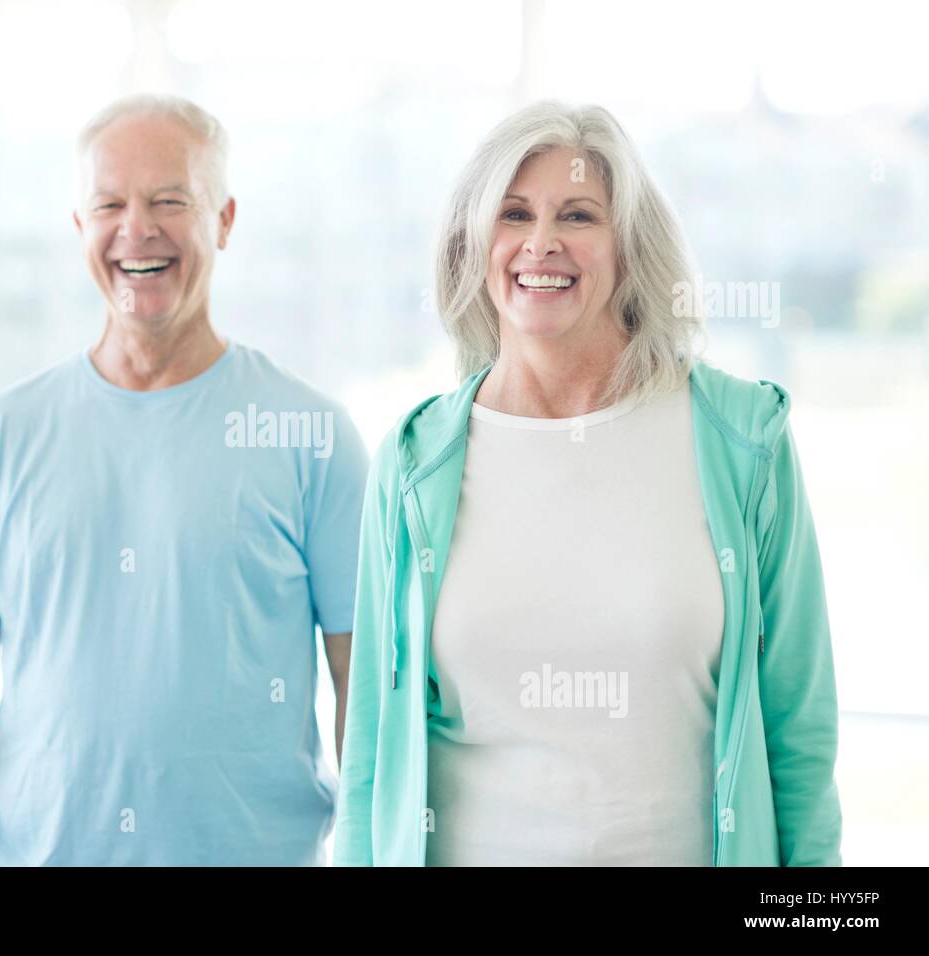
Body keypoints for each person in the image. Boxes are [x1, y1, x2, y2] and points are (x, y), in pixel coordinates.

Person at [333, 100, 841, 866]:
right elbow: (372, 755)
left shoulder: (743, 441)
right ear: (474, 246)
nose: (542, 243)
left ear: (629, 249)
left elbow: (798, 734)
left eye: (578, 214)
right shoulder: (414, 461)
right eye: (513, 213)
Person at [0, 94, 368, 866]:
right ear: (80, 226)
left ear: (225, 219)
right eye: (109, 203)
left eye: (169, 201)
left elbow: (360, 670)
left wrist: (370, 850)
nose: (136, 229)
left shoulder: (313, 437)